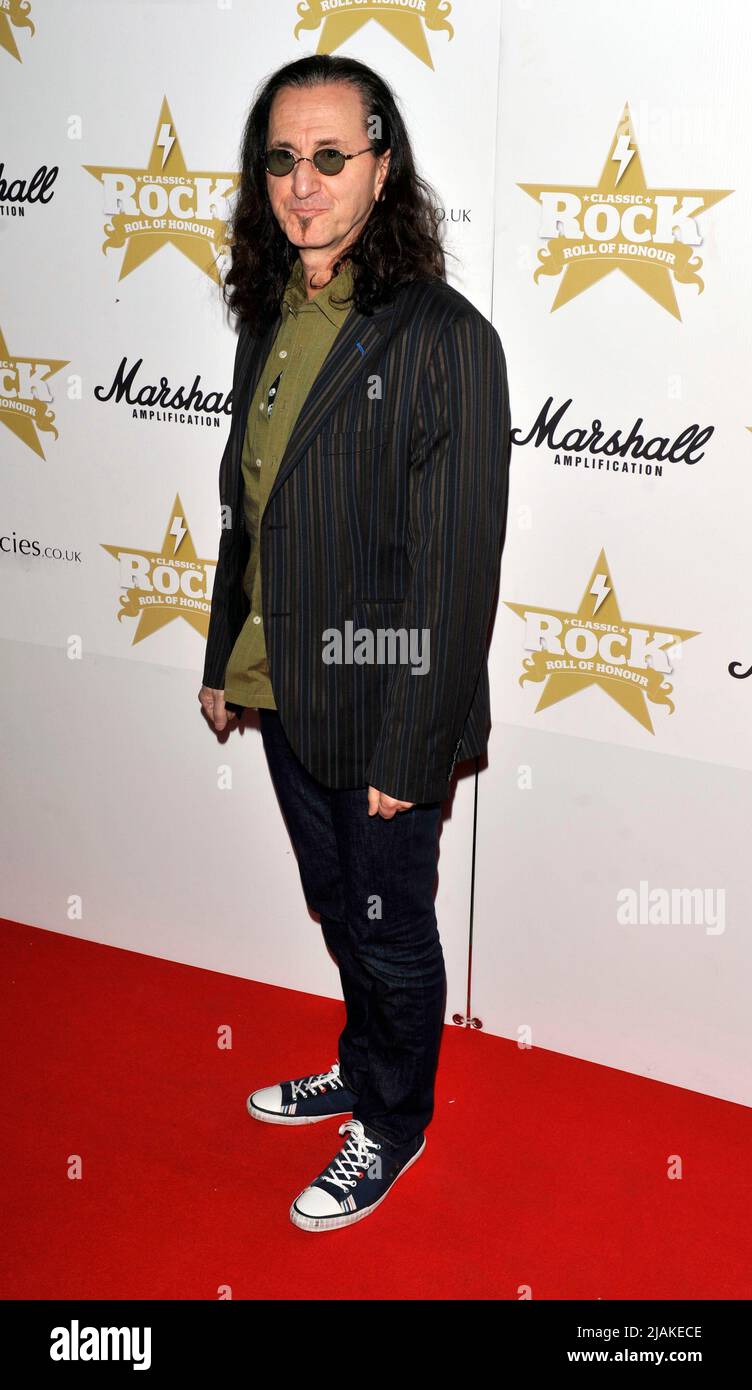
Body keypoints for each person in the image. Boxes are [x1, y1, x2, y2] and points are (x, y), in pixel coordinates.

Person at [199, 53, 511, 1232]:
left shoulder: (443, 340)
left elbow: (453, 570)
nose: (303, 184)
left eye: (331, 156)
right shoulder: (273, 312)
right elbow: (249, 501)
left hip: (384, 713)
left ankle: (393, 1118)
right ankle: (364, 1062)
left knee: (389, 930)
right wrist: (226, 658)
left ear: (383, 168)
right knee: (341, 910)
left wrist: (411, 750)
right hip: (282, 692)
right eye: (281, 158)